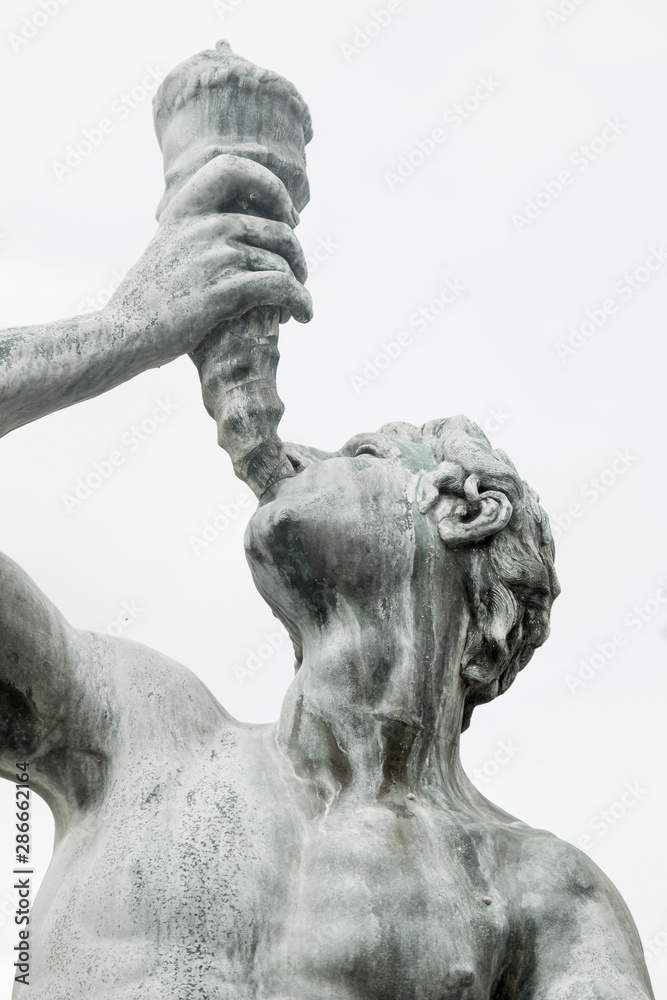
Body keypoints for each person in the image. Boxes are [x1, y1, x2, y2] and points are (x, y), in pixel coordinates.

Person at [0, 157, 654, 999]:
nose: (305, 454)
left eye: (358, 455)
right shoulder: (133, 729)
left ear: (461, 513)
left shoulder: (543, 893)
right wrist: (126, 329)